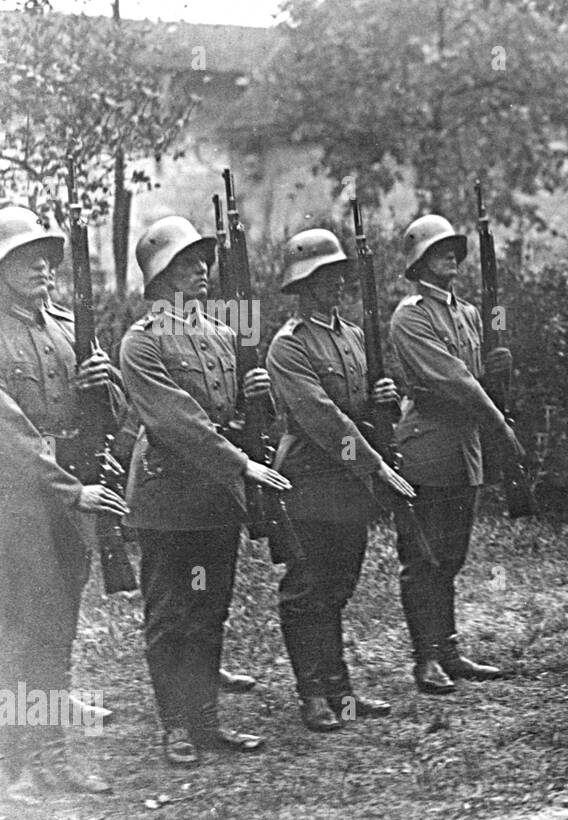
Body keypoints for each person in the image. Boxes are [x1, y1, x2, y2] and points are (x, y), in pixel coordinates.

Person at [119, 215, 292, 766]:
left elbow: (228, 417)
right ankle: (176, 727)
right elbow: (177, 422)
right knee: (170, 613)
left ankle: (207, 722)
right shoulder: (140, 344)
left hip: (214, 500)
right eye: (189, 262)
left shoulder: (221, 336)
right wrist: (241, 464)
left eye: (204, 261)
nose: (203, 269)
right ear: (162, 272)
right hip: (169, 502)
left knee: (208, 608)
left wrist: (255, 398)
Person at [266, 229, 416, 731]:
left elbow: (366, 411)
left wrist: (386, 398)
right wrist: (377, 467)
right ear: (300, 286)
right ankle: (312, 692)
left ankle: (341, 689)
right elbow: (325, 419)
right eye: (318, 277)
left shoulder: (354, 337)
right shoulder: (289, 348)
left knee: (338, 586)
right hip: (310, 481)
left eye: (336, 275)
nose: (331, 284)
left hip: (349, 484)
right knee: (307, 587)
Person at [0, 206, 126, 798]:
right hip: (19, 505)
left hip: (70, 499)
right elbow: (11, 436)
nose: (42, 268)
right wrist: (73, 492)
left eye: (47, 258)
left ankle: (55, 755)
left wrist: (105, 384)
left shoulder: (67, 327)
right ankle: (22, 765)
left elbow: (112, 414)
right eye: (26, 258)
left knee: (60, 629)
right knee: (23, 632)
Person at [385, 214, 524, 694]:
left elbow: (476, 377)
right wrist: (499, 425)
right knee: (423, 557)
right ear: (420, 259)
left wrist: (497, 369)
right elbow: (454, 380)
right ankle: (426, 659)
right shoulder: (412, 315)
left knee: (451, 555)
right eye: (441, 248)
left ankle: (448, 651)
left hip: (463, 448)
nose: (452, 255)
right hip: (427, 446)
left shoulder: (465, 312)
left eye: (454, 247)